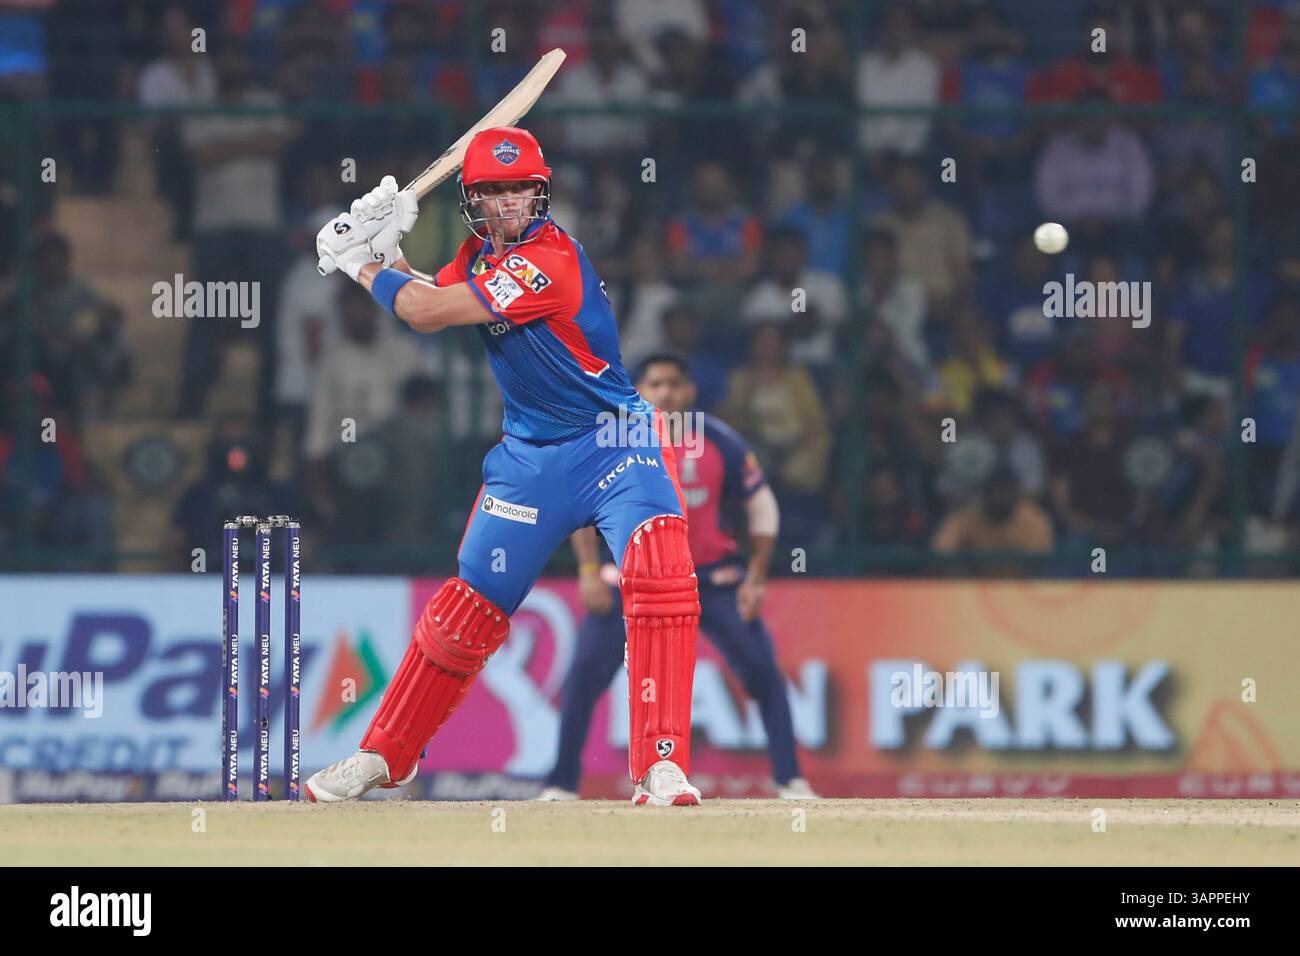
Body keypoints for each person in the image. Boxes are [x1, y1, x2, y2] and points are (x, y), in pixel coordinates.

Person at [307, 127, 703, 807]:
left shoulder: (551, 260)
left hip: (615, 439)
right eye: (494, 190)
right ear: (474, 200)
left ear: (540, 193)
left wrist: (362, 265)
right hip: (530, 460)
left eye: (521, 189)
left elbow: (426, 311)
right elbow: (433, 293)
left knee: (661, 574)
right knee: (466, 613)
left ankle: (660, 766)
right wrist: (385, 248)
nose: (510, 202)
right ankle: (386, 755)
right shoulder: (475, 261)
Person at [537, 355, 816, 801]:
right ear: (639, 391)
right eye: (655, 384)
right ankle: (561, 784)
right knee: (584, 675)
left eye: (674, 384)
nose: (665, 393)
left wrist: (757, 577)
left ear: (689, 391)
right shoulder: (616, 440)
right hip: (633, 577)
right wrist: (589, 571)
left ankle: (790, 781)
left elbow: (762, 507)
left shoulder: (720, 440)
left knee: (764, 672)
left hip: (712, 577)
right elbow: (582, 514)